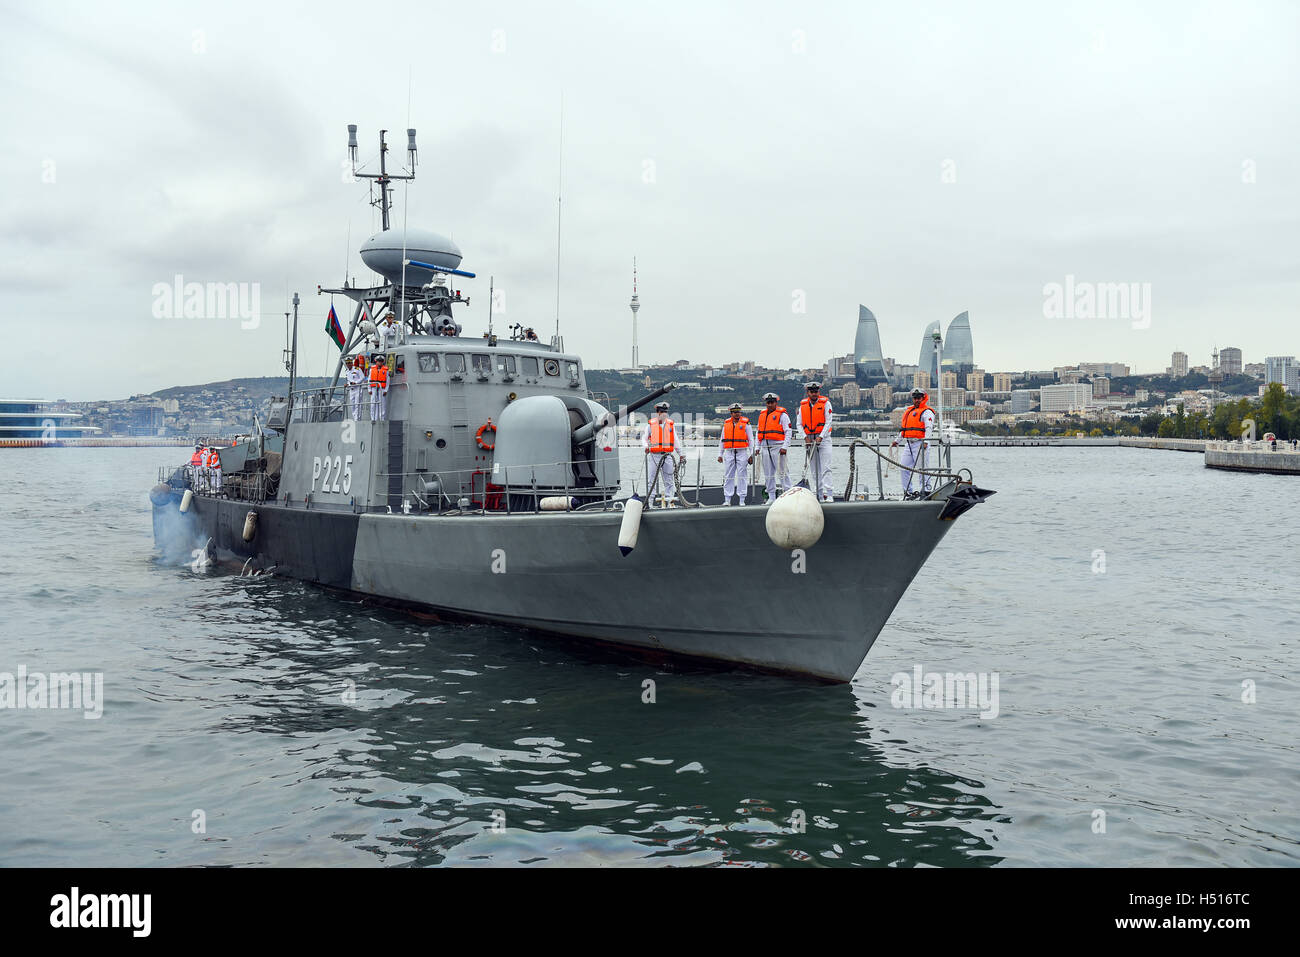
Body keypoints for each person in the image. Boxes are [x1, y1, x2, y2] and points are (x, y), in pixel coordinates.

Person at [892, 388, 936, 498]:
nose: (917, 400)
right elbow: (904, 429)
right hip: (909, 444)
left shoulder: (927, 412)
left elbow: (929, 428)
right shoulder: (909, 411)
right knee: (904, 467)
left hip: (920, 443)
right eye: (915, 398)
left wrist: (926, 441)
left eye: (919, 398)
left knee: (922, 469)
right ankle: (908, 492)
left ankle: (926, 490)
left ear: (923, 398)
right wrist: (897, 441)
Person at [642, 401, 686, 506]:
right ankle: (650, 502)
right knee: (652, 480)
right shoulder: (650, 425)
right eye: (662, 412)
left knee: (669, 479)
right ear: (658, 412)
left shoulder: (670, 425)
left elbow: (675, 440)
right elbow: (644, 438)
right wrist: (646, 447)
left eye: (665, 412)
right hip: (654, 456)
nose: (664, 413)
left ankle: (669, 500)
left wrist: (681, 454)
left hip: (667, 455)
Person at [799, 381, 834, 502]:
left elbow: (828, 421)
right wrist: (805, 437)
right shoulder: (802, 406)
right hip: (810, 440)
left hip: (823, 440)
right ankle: (819, 495)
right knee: (814, 470)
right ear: (808, 392)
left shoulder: (826, 404)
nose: (814, 394)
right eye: (812, 391)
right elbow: (799, 424)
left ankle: (829, 494)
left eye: (816, 391)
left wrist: (821, 436)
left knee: (826, 468)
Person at [755, 392, 792, 504]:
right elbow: (758, 432)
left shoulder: (783, 415)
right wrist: (757, 447)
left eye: (772, 402)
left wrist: (785, 446)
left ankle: (788, 494)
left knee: (782, 472)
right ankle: (771, 496)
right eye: (768, 402)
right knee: (768, 473)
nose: (770, 404)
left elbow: (788, 431)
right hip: (765, 446)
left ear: (776, 402)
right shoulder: (762, 415)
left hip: (778, 446)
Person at [716, 403, 754, 505]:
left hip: (742, 452)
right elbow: (722, 440)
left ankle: (742, 500)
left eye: (738, 412)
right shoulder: (726, 424)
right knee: (728, 476)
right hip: (729, 452)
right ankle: (727, 499)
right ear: (731, 413)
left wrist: (752, 454)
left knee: (742, 475)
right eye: (735, 412)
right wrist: (720, 454)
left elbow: (751, 439)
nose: (737, 414)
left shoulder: (746, 423)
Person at [369, 352, 389, 421]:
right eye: (378, 361)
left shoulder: (386, 371)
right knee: (373, 403)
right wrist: (369, 389)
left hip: (382, 388)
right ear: (376, 361)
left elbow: (387, 381)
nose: (379, 363)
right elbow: (369, 380)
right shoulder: (372, 370)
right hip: (374, 388)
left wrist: (386, 390)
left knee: (382, 404)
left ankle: (381, 418)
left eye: (381, 361)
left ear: (383, 362)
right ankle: (373, 418)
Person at [344, 356, 365, 420]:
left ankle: (357, 419)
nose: (348, 364)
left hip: (357, 389)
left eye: (350, 363)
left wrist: (356, 382)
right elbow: (349, 380)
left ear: (352, 363)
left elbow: (362, 377)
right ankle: (355, 418)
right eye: (347, 363)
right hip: (351, 390)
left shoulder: (357, 369)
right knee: (352, 405)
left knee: (357, 405)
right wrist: (347, 384)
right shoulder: (347, 371)